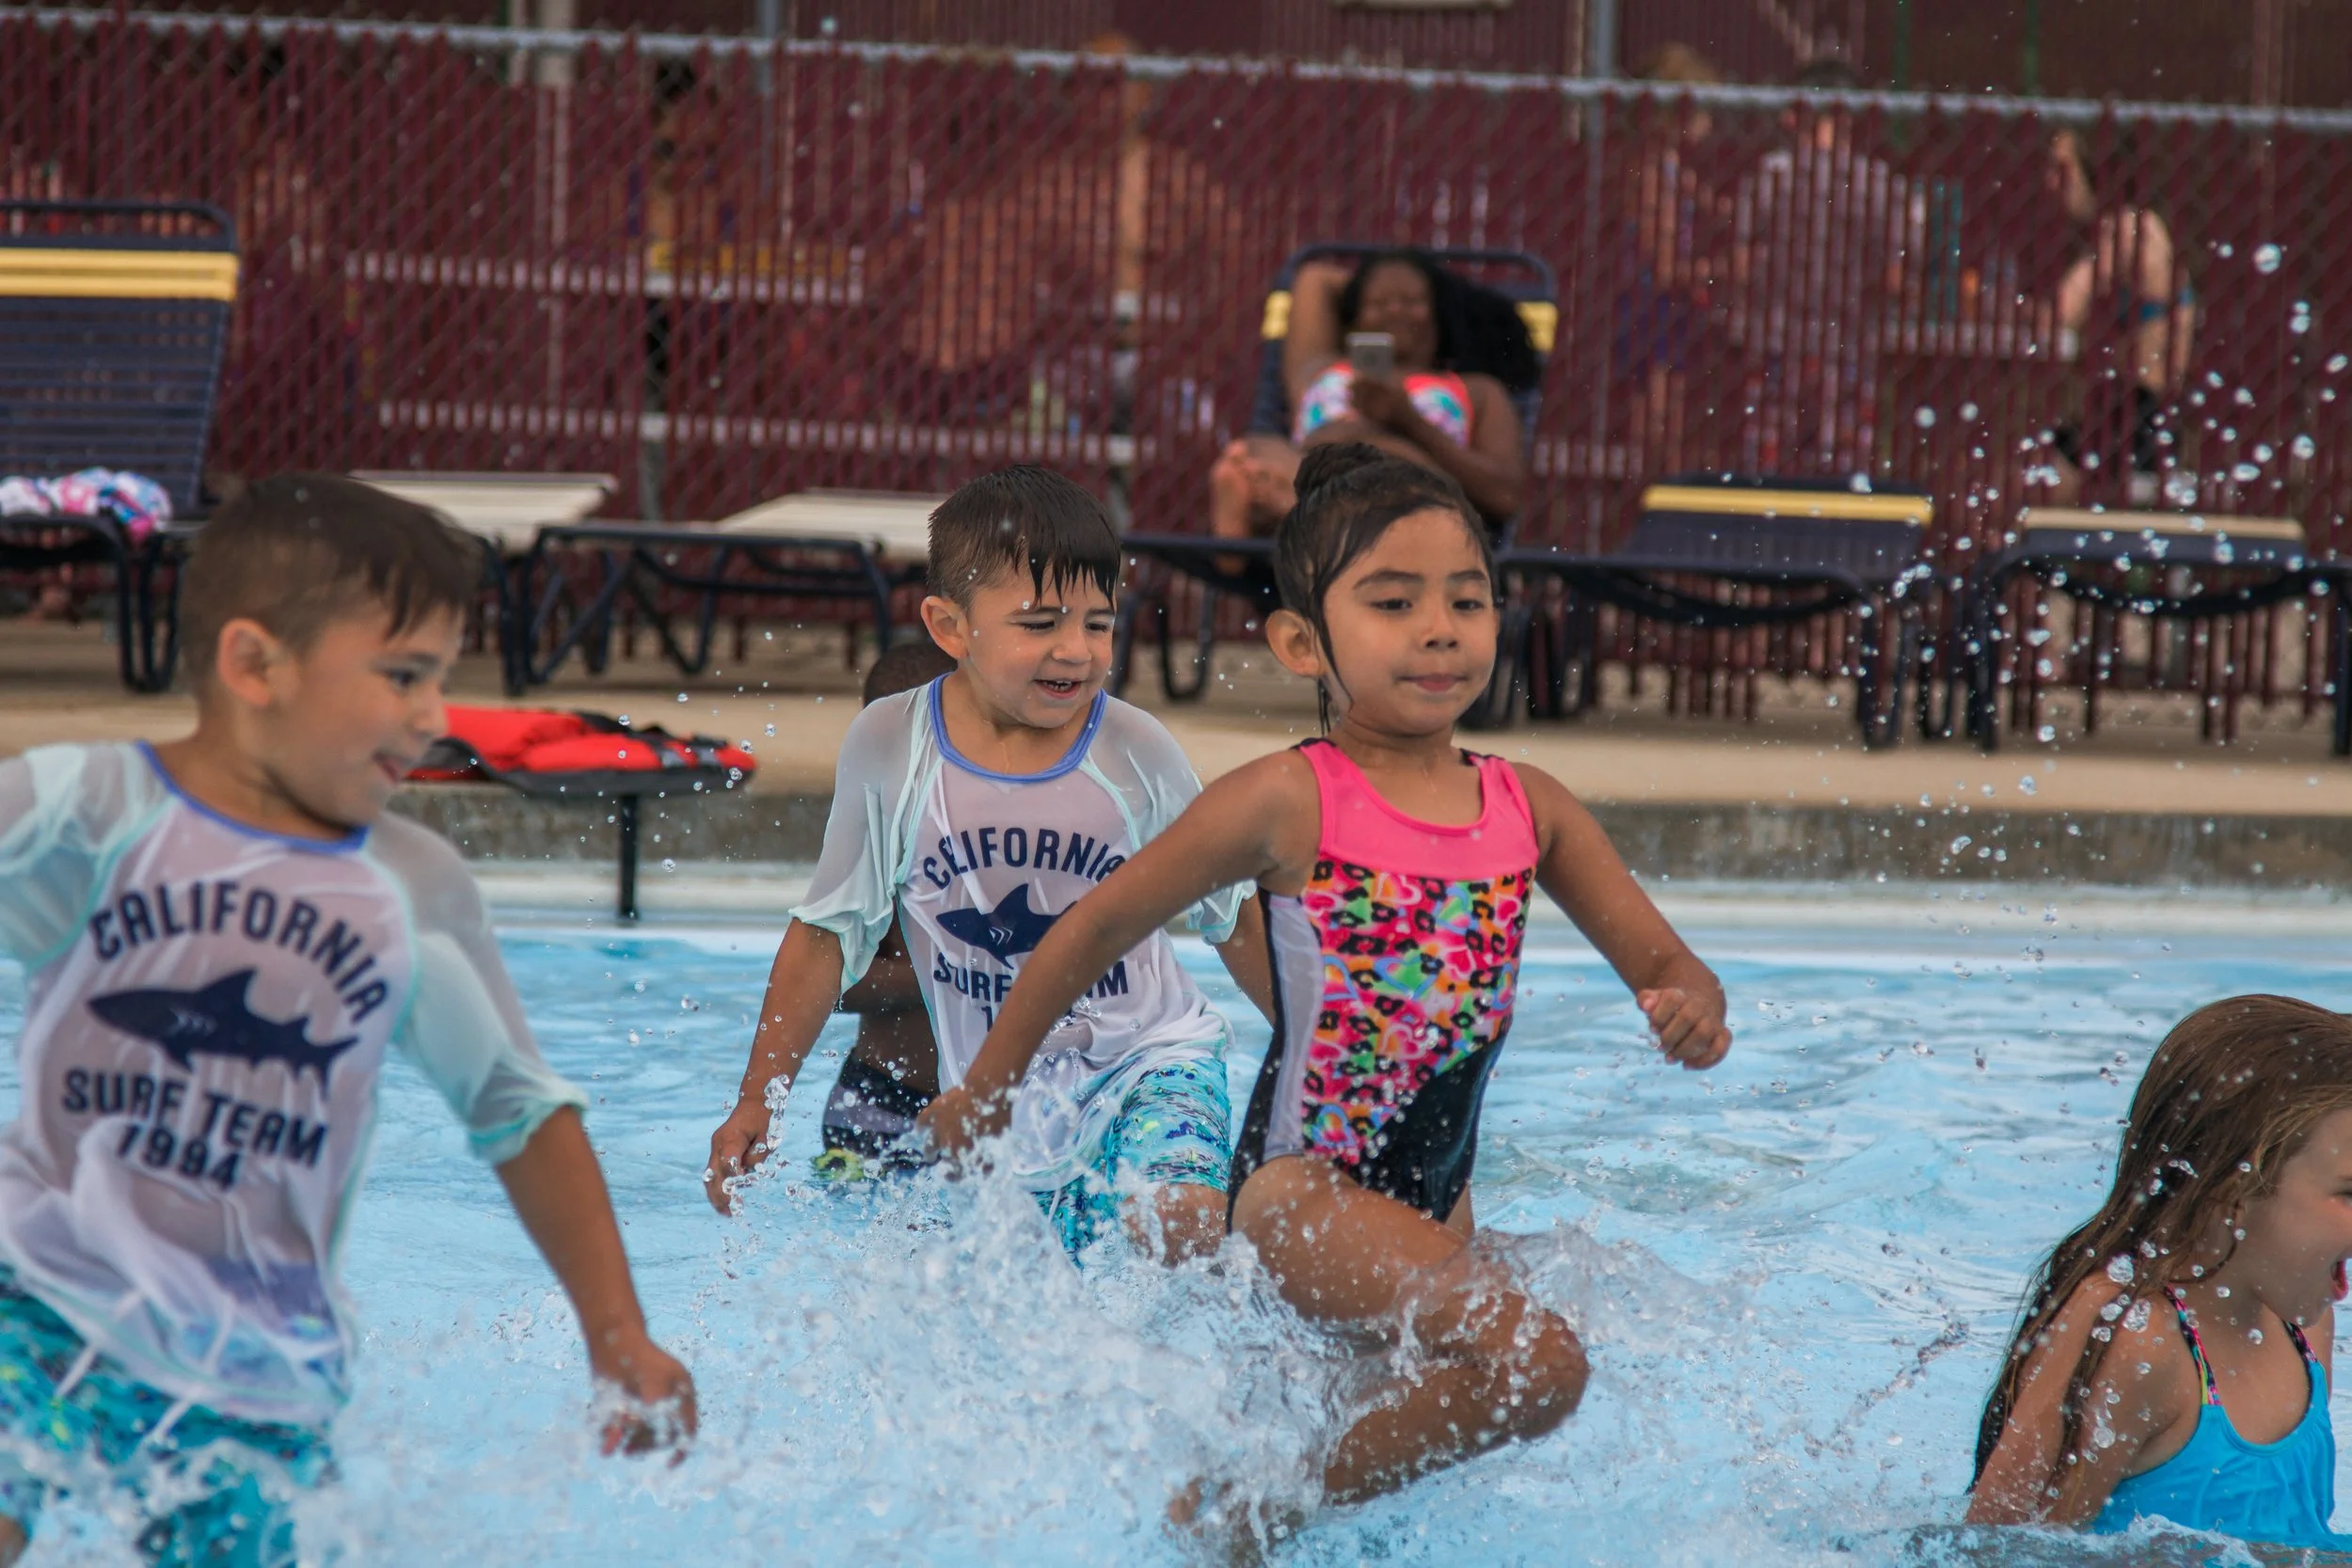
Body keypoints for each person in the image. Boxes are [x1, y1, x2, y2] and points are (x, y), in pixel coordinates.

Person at [924, 444, 1731, 1513]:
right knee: (1539, 1367)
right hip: (1302, 1198)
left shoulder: (1526, 804)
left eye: (1467, 599)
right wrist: (988, 1085)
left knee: (1392, 1446)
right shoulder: (1289, 799)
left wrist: (1692, 1012)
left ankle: (1250, 1507)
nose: (1439, 627)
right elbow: (1091, 925)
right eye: (1392, 602)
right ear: (1304, 640)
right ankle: (1260, 1507)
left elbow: (1666, 961)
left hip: (1435, 1204)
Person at [0, 474, 694, 1568]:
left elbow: (517, 1109)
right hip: (37, 1298)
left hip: (257, 1367)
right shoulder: (85, 812)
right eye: (403, 675)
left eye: (442, 677)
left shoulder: (406, 885)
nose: (433, 716)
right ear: (253, 664)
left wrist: (617, 1333)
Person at [705, 467, 1271, 1261]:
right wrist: (759, 1097)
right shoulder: (892, 745)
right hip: (999, 1101)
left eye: (1098, 623)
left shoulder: (1134, 749)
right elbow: (827, 933)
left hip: (1149, 1057)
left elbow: (1234, 913)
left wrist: (1333, 1068)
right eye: (1039, 623)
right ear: (949, 624)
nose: (1075, 650)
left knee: (1176, 1217)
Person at [1967, 995, 2352, 1551]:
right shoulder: (2137, 1339)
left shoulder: (2304, 1328)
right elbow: (1993, 1554)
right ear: (2234, 1192)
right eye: (2349, 1193)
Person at [1209, 251, 1535, 543]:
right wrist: (1386, 279)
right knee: (1254, 449)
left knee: (1374, 471)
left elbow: (1504, 496)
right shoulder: (1319, 368)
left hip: (1411, 496)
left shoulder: (1475, 390)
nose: (1394, 310)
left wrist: (1408, 422)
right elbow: (1315, 278)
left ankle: (1300, 513)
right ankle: (1301, 515)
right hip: (1313, 470)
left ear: (1440, 311)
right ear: (1354, 318)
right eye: (1377, 303)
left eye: (1412, 302)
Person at [812, 638, 960, 1183]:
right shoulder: (866, 847)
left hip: (980, 1103)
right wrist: (947, 976)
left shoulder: (1007, 843)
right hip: (876, 1103)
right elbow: (831, 984)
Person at [1729, 57, 1915, 474]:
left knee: (1771, 444)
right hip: (1844, 334)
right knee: (1842, 450)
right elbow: (1895, 275)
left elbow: (1742, 262)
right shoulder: (1875, 181)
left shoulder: (1771, 176)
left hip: (1781, 330)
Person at [2043, 127, 2197, 506]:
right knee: (2039, 464)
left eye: (2063, 169)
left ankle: (2035, 561)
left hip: (2141, 415)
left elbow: (2063, 310)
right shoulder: (2125, 227)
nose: (2051, 182)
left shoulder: (2131, 229)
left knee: (2036, 477)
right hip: (2125, 410)